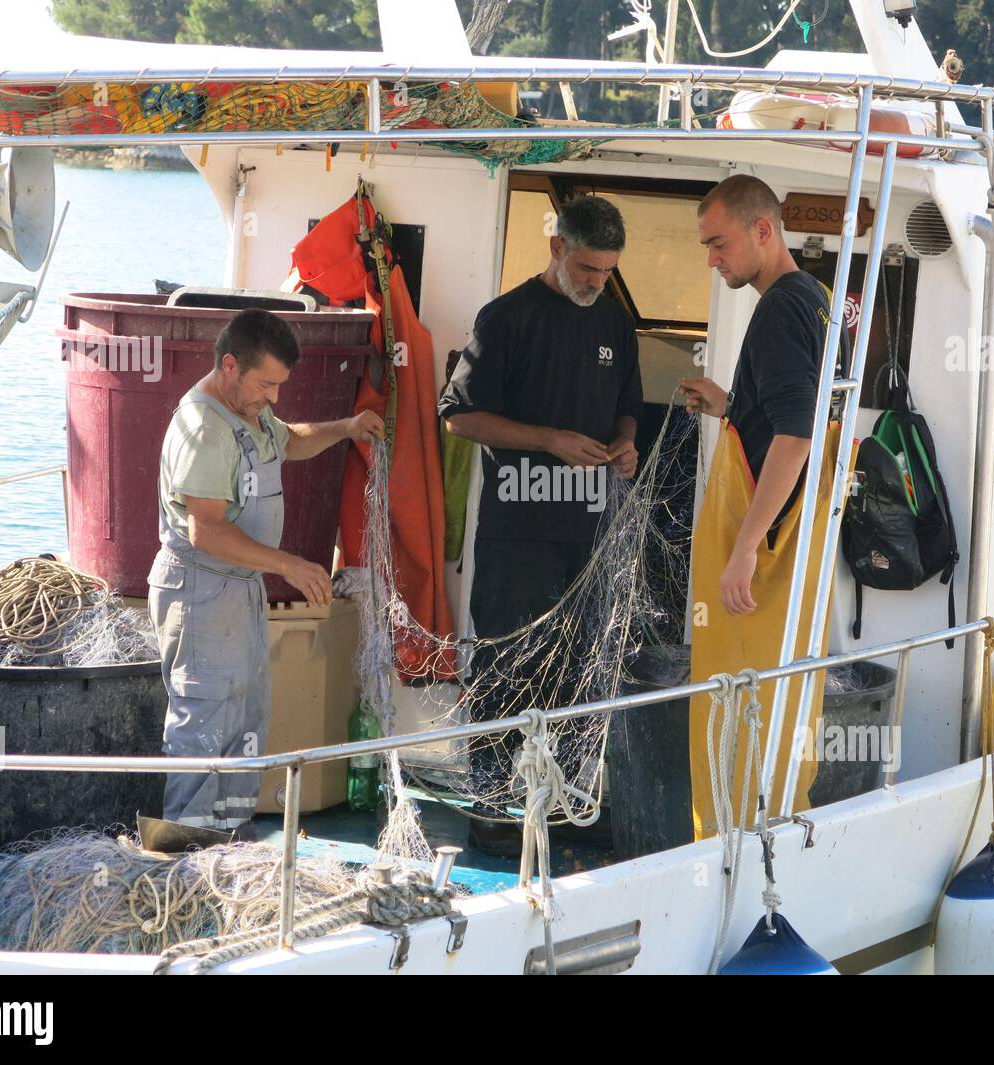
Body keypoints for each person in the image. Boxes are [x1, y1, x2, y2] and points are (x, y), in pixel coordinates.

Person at [439, 195, 643, 853]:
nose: (595, 282)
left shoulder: (615, 322)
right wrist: (547, 439)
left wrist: (626, 442)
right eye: (586, 267)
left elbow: (628, 409)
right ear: (556, 247)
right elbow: (459, 416)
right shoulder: (505, 318)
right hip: (518, 532)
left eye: (606, 271)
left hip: (587, 535)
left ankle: (565, 801)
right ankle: (494, 812)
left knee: (581, 666)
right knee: (508, 667)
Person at [149, 308, 383, 836]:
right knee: (204, 726)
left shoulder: (247, 413)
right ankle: (185, 861)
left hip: (241, 592)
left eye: (279, 385)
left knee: (246, 724)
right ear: (229, 366)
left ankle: (230, 845)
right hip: (201, 592)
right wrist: (291, 565)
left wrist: (346, 428)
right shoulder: (205, 428)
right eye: (266, 384)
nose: (273, 396)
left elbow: (290, 440)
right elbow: (205, 530)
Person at [680, 174, 849, 833]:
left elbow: (797, 435)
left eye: (718, 243)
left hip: (768, 560)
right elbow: (789, 412)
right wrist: (732, 404)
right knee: (781, 706)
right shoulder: (814, 298)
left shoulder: (778, 309)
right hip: (799, 552)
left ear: (763, 230)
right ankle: (775, 828)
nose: (712, 258)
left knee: (737, 707)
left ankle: (730, 845)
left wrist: (745, 547)